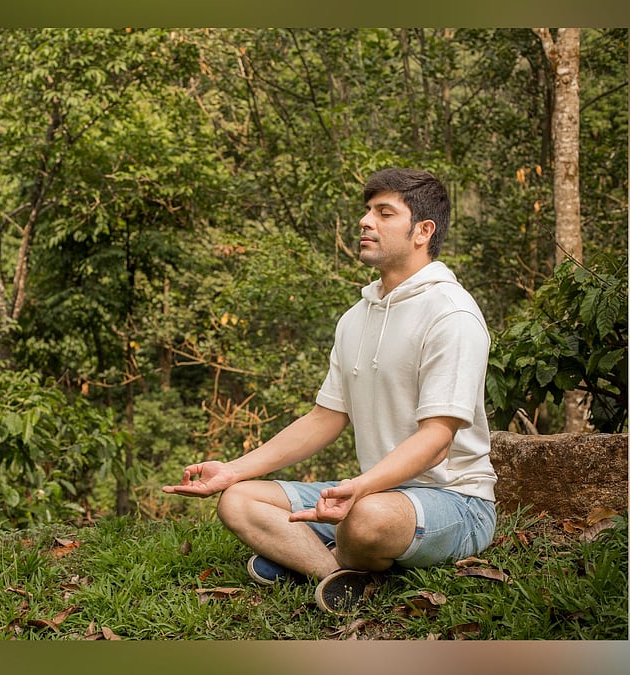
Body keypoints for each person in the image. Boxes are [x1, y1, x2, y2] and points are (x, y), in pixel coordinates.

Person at [162, 168, 497, 614]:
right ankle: (336, 574)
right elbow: (325, 418)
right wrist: (234, 471)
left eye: (383, 213)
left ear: (423, 231)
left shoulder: (451, 315)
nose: (365, 221)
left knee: (365, 519)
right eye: (366, 211)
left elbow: (437, 440)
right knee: (239, 500)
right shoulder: (355, 317)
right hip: (374, 493)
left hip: (456, 503)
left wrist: (358, 489)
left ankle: (316, 554)